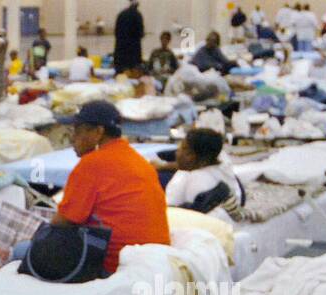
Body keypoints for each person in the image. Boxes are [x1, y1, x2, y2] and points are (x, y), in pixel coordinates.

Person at [52, 100, 171, 276]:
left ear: (98, 132)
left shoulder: (91, 164)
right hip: (156, 259)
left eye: (78, 130)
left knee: (22, 251)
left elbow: (63, 221)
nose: (72, 138)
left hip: (114, 264)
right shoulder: (138, 160)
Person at [162, 127, 243, 214]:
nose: (177, 152)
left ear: (192, 156)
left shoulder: (198, 180)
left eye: (182, 148)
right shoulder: (221, 163)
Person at [113, 0, 145, 74]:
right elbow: (141, 33)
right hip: (133, 54)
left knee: (120, 76)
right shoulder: (138, 15)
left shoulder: (121, 14)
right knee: (132, 76)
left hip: (120, 53)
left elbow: (116, 32)